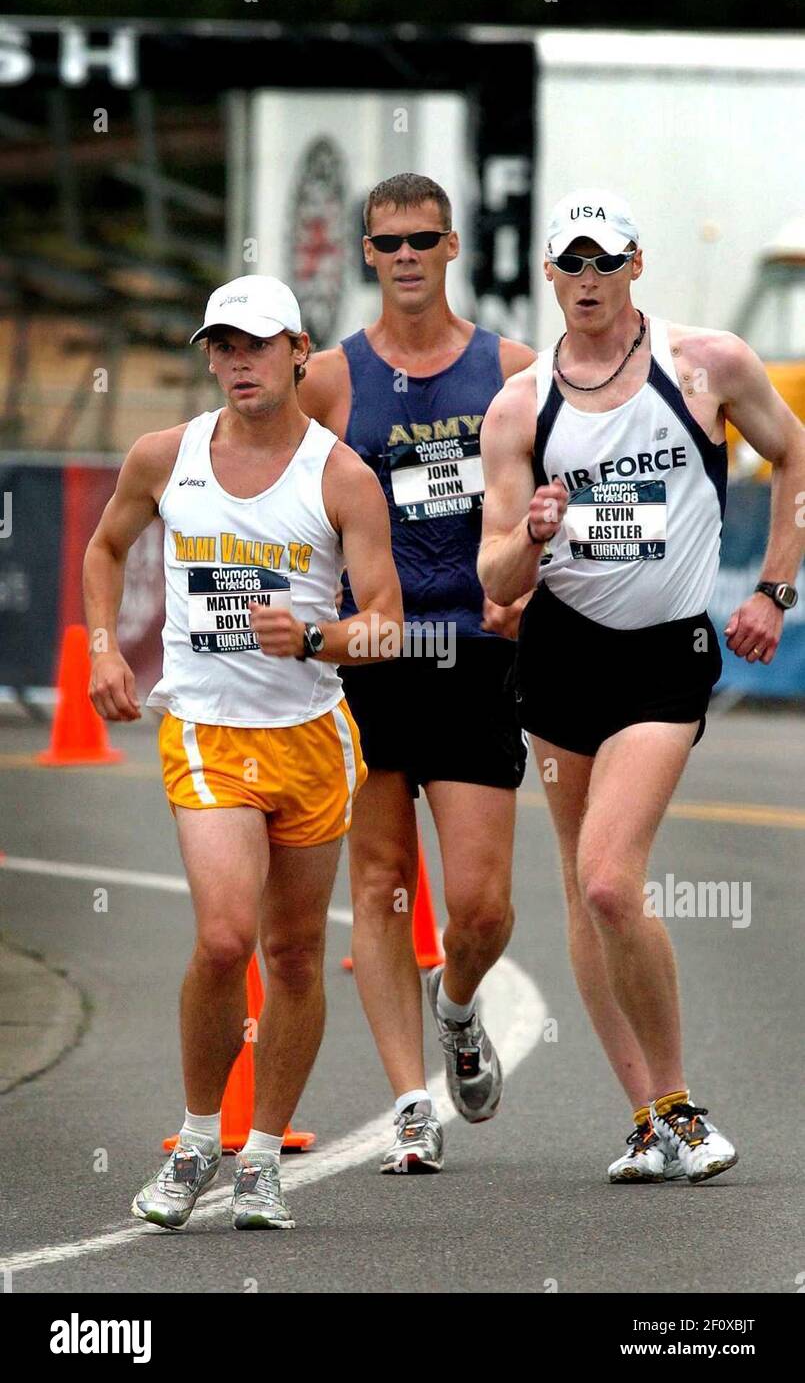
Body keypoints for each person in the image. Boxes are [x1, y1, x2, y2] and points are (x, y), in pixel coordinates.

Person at [478, 188, 805, 1183]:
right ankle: (644, 1118)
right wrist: (528, 535)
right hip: (561, 653)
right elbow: (493, 580)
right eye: (568, 264)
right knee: (585, 892)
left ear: (635, 266)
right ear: (548, 277)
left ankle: (680, 1105)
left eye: (602, 261)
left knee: (613, 878)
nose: (585, 280)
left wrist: (774, 588)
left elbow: (794, 456)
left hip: (665, 652)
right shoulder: (518, 405)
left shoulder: (706, 364)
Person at [84, 274, 402, 1228]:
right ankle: (195, 1142)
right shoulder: (161, 456)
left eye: (254, 345)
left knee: (295, 953)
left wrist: (312, 637)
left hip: (308, 736)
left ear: (298, 350)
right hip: (207, 731)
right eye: (220, 347)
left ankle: (261, 1154)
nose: (236, 363)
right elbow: (105, 551)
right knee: (226, 939)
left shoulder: (340, 475)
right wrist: (103, 645)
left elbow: (386, 626)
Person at [300, 173, 537, 1172]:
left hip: (475, 654)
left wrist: (529, 587)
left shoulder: (515, 369)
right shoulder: (327, 379)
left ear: (451, 249)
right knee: (385, 883)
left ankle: (457, 1007)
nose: (404, 255)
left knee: (480, 906)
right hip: (373, 657)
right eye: (386, 240)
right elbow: (284, 502)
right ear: (365, 252)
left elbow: (553, 499)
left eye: (422, 239)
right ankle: (409, 1100)